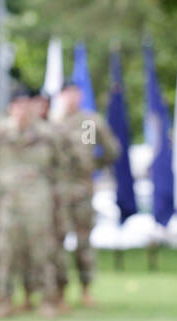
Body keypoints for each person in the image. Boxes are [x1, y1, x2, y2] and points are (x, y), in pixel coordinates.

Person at [0, 85, 64, 317]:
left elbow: (61, 164)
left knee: (42, 251)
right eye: (17, 105)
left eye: (27, 104)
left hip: (39, 201)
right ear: (10, 108)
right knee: (4, 252)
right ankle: (4, 300)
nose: (22, 110)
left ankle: (47, 299)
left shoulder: (47, 134)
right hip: (8, 202)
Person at [50, 79, 124, 308]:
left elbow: (111, 150)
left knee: (83, 242)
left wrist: (95, 166)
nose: (73, 98)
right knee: (58, 241)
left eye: (76, 93)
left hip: (82, 190)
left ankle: (85, 289)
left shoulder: (89, 123)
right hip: (58, 192)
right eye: (68, 94)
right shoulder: (53, 123)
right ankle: (59, 291)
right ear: (61, 96)